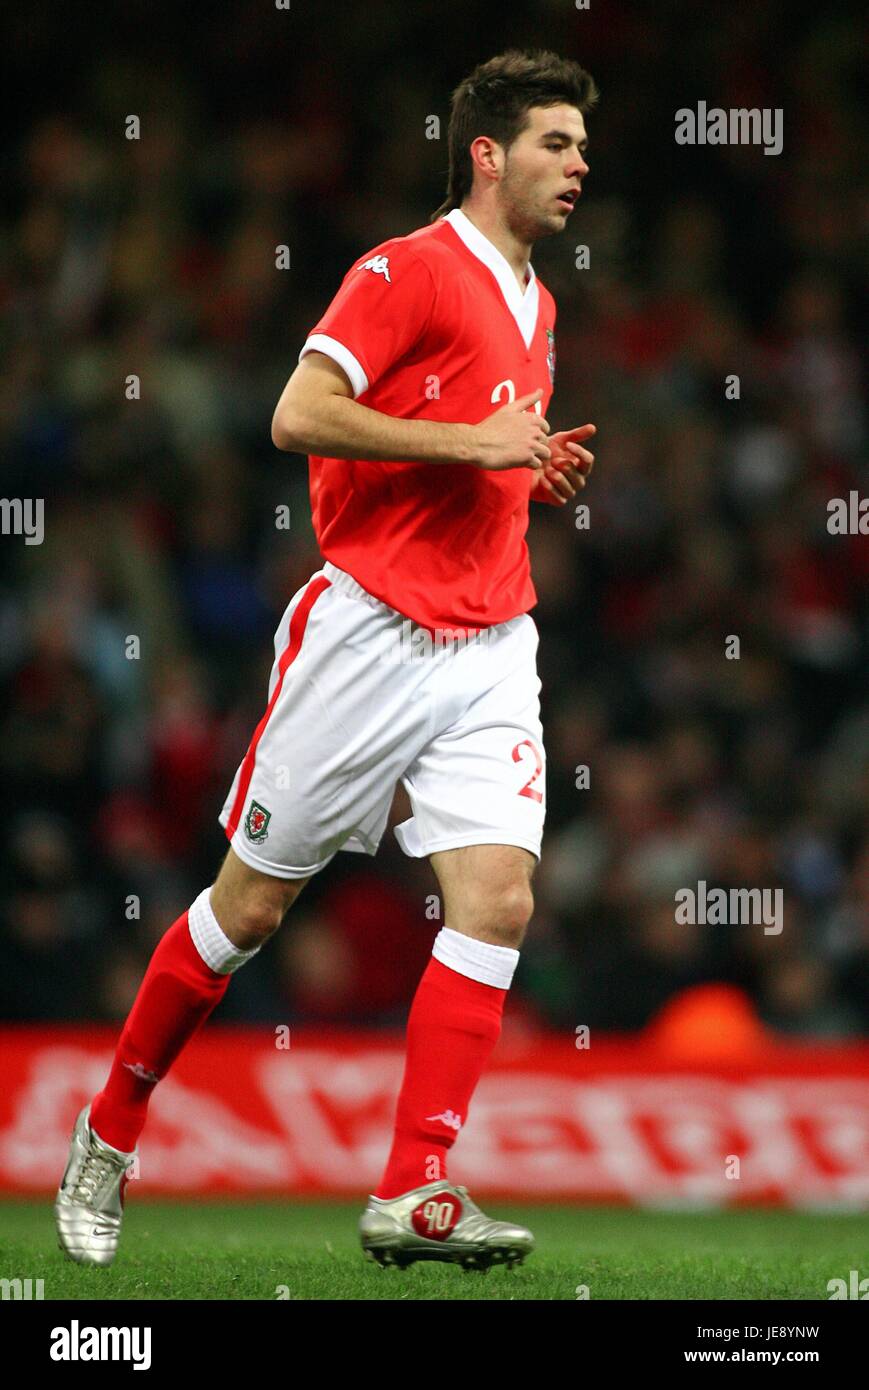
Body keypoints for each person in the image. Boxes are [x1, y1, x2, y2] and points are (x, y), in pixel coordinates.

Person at [56, 47, 598, 1272]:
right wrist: (471, 444)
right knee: (248, 908)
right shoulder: (402, 269)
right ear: (485, 152)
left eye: (579, 145)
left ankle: (414, 1185)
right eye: (555, 144)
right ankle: (109, 1126)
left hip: (490, 640)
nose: (578, 166)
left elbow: (482, 443)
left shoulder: (537, 302)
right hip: (367, 633)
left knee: (499, 898)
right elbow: (296, 414)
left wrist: (524, 463)